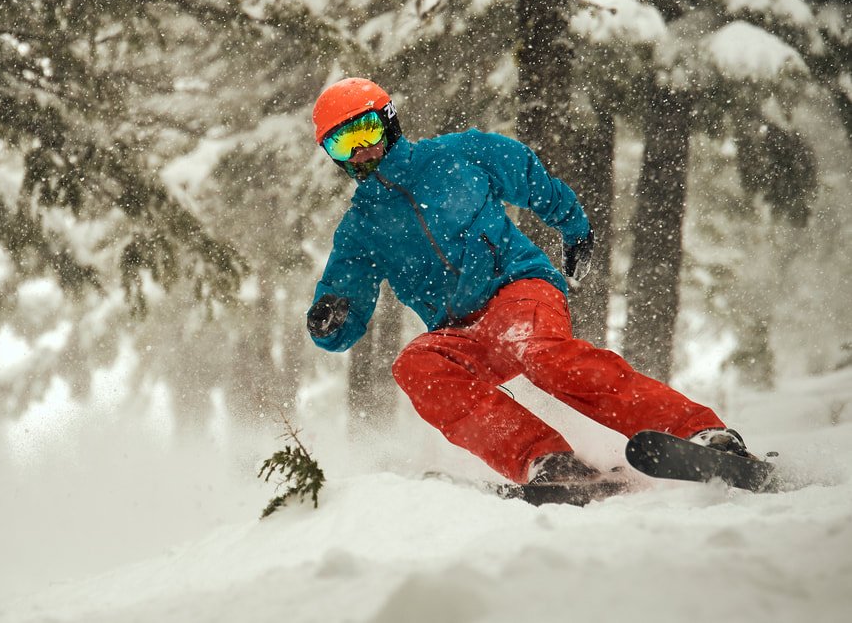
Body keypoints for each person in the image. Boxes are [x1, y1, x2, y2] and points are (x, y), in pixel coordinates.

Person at [305, 77, 754, 485]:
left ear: (388, 122)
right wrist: (329, 321)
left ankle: (698, 431)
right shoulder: (360, 228)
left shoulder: (458, 155)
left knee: (539, 354)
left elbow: (527, 174)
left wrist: (574, 226)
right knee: (416, 366)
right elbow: (343, 308)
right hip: (461, 332)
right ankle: (545, 460)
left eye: (365, 132)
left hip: (518, 288)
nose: (359, 151)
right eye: (343, 144)